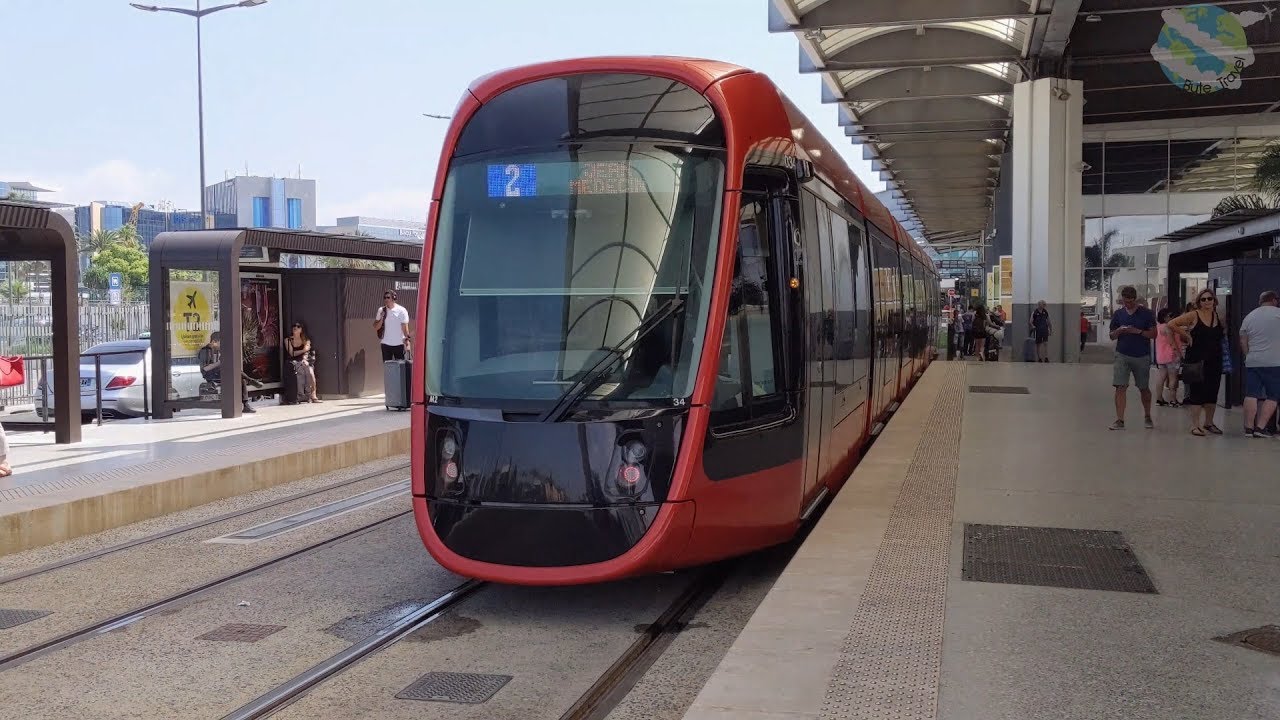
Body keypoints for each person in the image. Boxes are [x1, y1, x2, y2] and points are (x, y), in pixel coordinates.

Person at [1169, 289, 1226, 436]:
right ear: (1199, 302)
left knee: (1212, 391)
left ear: (1214, 300)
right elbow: (1172, 324)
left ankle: (1209, 422)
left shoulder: (1218, 316)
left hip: (1214, 359)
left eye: (1209, 299)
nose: (1207, 302)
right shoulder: (1193, 315)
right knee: (1196, 392)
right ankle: (1195, 425)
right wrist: (1186, 335)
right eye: (1203, 299)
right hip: (1196, 359)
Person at [1109, 286, 1157, 430]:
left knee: (1143, 388)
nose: (1127, 305)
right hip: (1122, 354)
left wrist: (1138, 331)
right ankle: (1120, 420)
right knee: (1120, 387)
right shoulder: (1118, 314)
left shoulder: (1147, 314)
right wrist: (1118, 331)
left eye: (1130, 302)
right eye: (1125, 302)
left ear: (1135, 299)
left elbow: (1154, 334)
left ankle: (1147, 415)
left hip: (1141, 355)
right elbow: (1111, 336)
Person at [1239, 290, 1280, 438]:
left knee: (1251, 394)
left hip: (1253, 361)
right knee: (1273, 396)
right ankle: (1260, 428)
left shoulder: (1250, 316)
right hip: (1275, 362)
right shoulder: (1278, 314)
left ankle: (1248, 429)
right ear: (1274, 300)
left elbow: (1243, 340)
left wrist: (1248, 355)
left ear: (1260, 301)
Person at [197, 331, 258, 414]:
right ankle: (250, 380)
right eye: (220, 343)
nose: (221, 345)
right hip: (211, 375)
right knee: (235, 371)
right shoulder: (205, 351)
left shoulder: (218, 350)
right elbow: (205, 369)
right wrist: (220, 362)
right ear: (214, 341)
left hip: (220, 372)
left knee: (239, 377)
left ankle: (246, 404)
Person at [1154, 307, 1187, 408]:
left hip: (1161, 356)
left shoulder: (1159, 327)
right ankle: (1173, 400)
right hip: (1171, 356)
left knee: (1161, 377)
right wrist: (1179, 354)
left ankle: (1159, 399)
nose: (1173, 318)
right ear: (1164, 317)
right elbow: (1172, 342)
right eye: (1170, 316)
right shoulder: (1169, 327)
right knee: (1173, 378)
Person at [287, 322, 321, 404]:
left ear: (301, 329)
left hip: (305, 359)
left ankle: (313, 395)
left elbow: (306, 350)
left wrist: (301, 354)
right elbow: (292, 353)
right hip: (294, 361)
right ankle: (299, 396)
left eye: (298, 326)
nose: (295, 327)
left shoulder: (306, 339)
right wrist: (303, 350)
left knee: (310, 373)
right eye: (294, 326)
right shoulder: (288, 340)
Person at [374, 290, 412, 362]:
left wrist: (408, 343)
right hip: (385, 344)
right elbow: (376, 327)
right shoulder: (381, 310)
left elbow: (405, 328)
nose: (386, 299)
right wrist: (382, 318)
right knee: (388, 369)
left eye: (388, 297)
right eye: (384, 298)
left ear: (394, 298)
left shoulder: (402, 310)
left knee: (400, 369)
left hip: (399, 344)